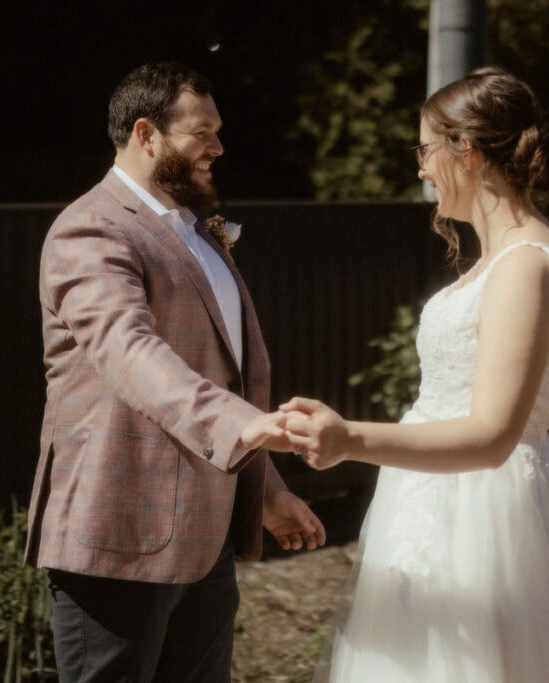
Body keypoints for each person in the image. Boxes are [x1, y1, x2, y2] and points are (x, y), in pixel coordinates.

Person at [278, 67, 549, 681]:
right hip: (443, 502)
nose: (420, 166)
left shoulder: (525, 266)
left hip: (485, 520)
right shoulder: (509, 256)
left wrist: (350, 439)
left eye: (425, 148)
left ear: (468, 151)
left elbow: (491, 436)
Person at [23, 61, 326, 683]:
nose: (217, 146)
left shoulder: (195, 232)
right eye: (202, 131)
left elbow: (224, 369)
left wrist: (266, 491)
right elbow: (129, 351)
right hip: (118, 532)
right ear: (146, 133)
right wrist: (243, 427)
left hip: (204, 538)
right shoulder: (91, 228)